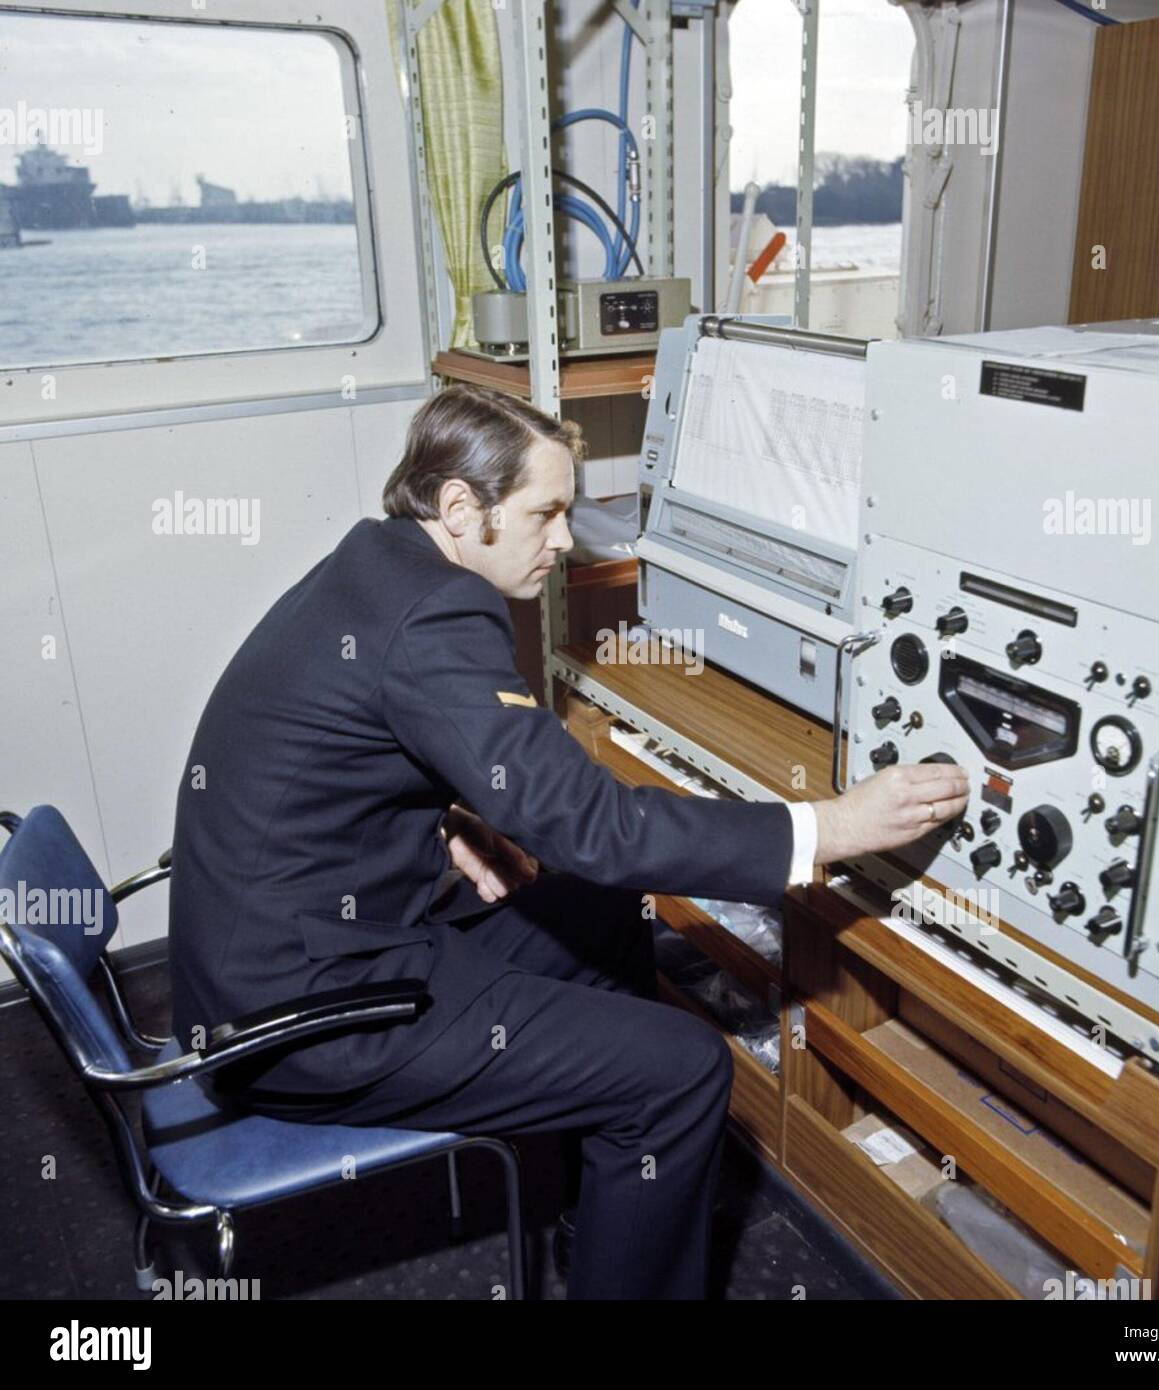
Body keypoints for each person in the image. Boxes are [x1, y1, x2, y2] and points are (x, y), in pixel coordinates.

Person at [168, 383, 969, 1299]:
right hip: (303, 1021)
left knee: (593, 907)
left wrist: (449, 820)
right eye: (546, 513)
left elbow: (338, 750)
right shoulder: (437, 614)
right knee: (682, 1068)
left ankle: (619, 1204)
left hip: (265, 956)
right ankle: (640, 1168)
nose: (565, 539)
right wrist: (830, 826)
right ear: (462, 509)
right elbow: (593, 823)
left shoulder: (378, 567)